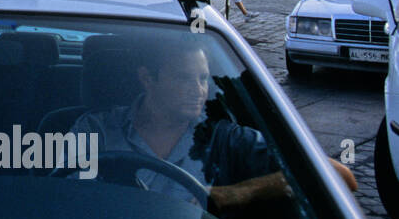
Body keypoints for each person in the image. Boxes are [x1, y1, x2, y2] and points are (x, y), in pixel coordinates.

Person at [71, 38, 356, 210]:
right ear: (147, 79)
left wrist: (233, 194)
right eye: (184, 78)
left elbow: (341, 176)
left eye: (203, 78)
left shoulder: (228, 141)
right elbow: (65, 201)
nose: (198, 90)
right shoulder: (97, 130)